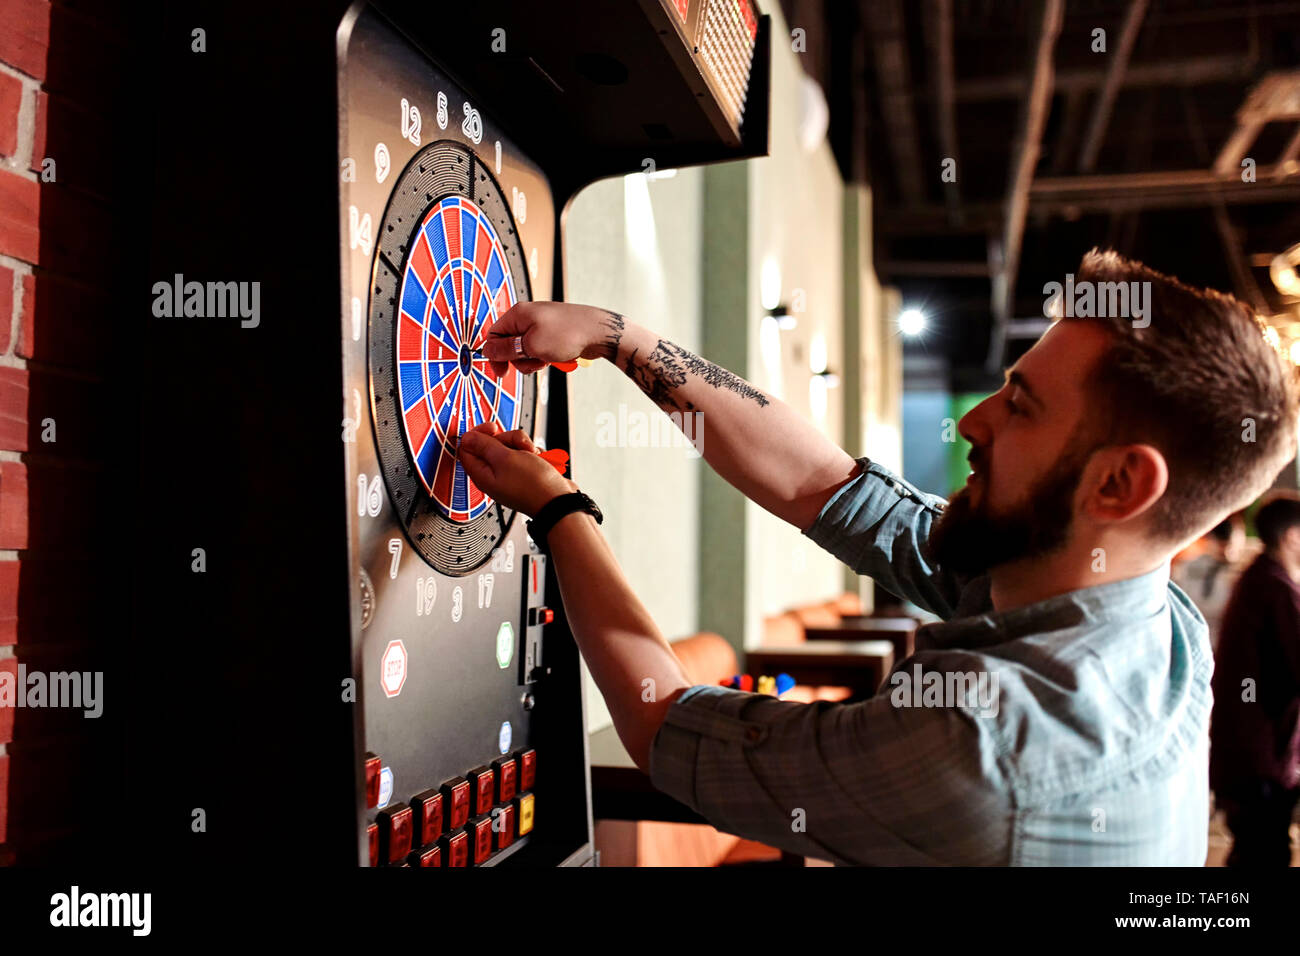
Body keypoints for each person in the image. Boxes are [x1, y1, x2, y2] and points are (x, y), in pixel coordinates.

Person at [457, 249, 1300, 865]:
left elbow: (661, 723)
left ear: (1118, 485)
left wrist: (559, 508)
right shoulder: (1146, 607)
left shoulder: (984, 747)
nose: (974, 424)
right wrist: (618, 335)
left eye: (1021, 407)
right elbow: (823, 485)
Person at [1210, 495, 1300, 866]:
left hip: (1250, 757)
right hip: (1259, 761)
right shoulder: (1274, 588)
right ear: (1293, 536)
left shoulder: (1262, 580)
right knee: (1263, 852)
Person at [1172, 515, 1247, 650]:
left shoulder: (1244, 573)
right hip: (1194, 644)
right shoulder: (1186, 568)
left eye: (1231, 545)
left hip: (1228, 646)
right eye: (1222, 545)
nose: (1227, 551)